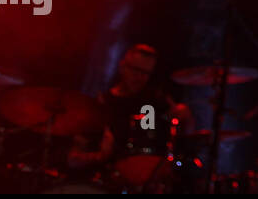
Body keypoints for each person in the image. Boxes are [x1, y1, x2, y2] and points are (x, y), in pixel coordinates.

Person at [68, 44, 193, 173]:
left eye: (145, 73)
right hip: (110, 174)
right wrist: (98, 155)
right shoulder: (105, 102)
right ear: (122, 67)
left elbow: (183, 140)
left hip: (150, 174)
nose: (140, 77)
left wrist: (186, 118)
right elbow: (80, 151)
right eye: (135, 70)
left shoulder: (157, 100)